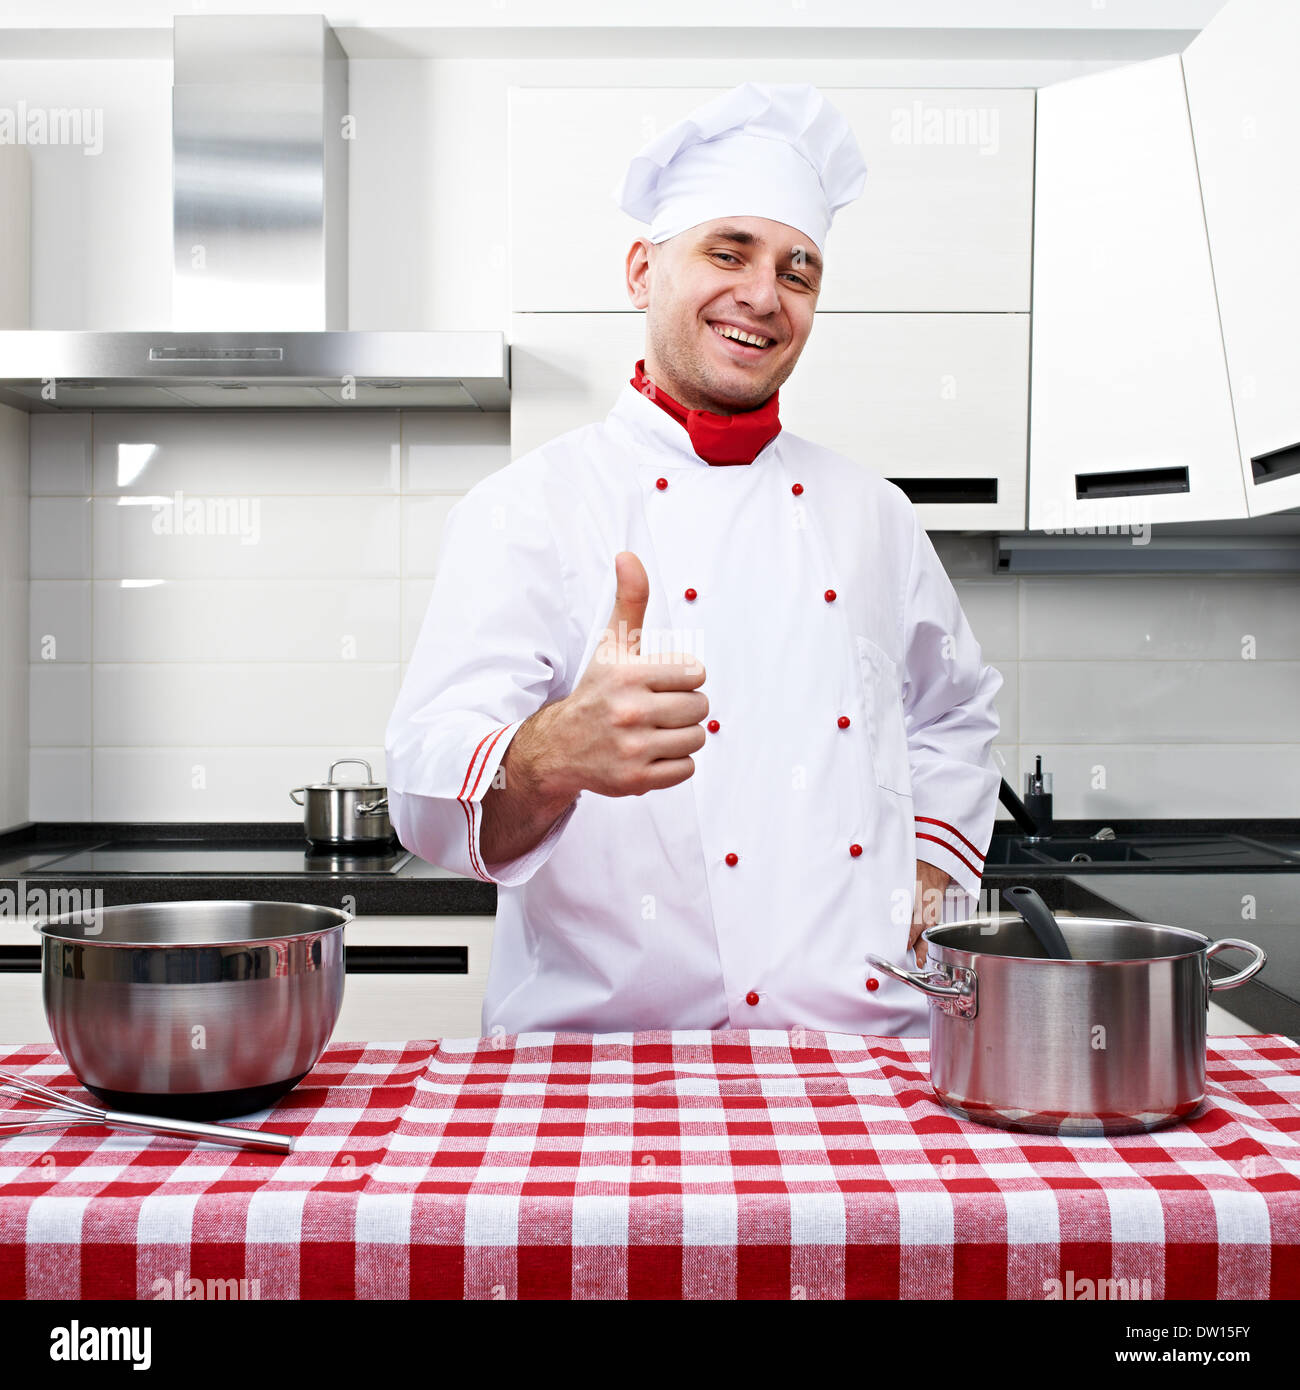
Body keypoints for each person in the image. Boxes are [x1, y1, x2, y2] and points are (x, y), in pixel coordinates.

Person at [385, 82, 1003, 1037]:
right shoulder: (528, 511)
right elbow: (426, 802)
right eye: (729, 252)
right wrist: (548, 754)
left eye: (799, 271)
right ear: (641, 271)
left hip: (862, 1059)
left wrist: (927, 891)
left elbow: (955, 715)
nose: (764, 294)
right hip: (601, 1071)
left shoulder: (873, 516)